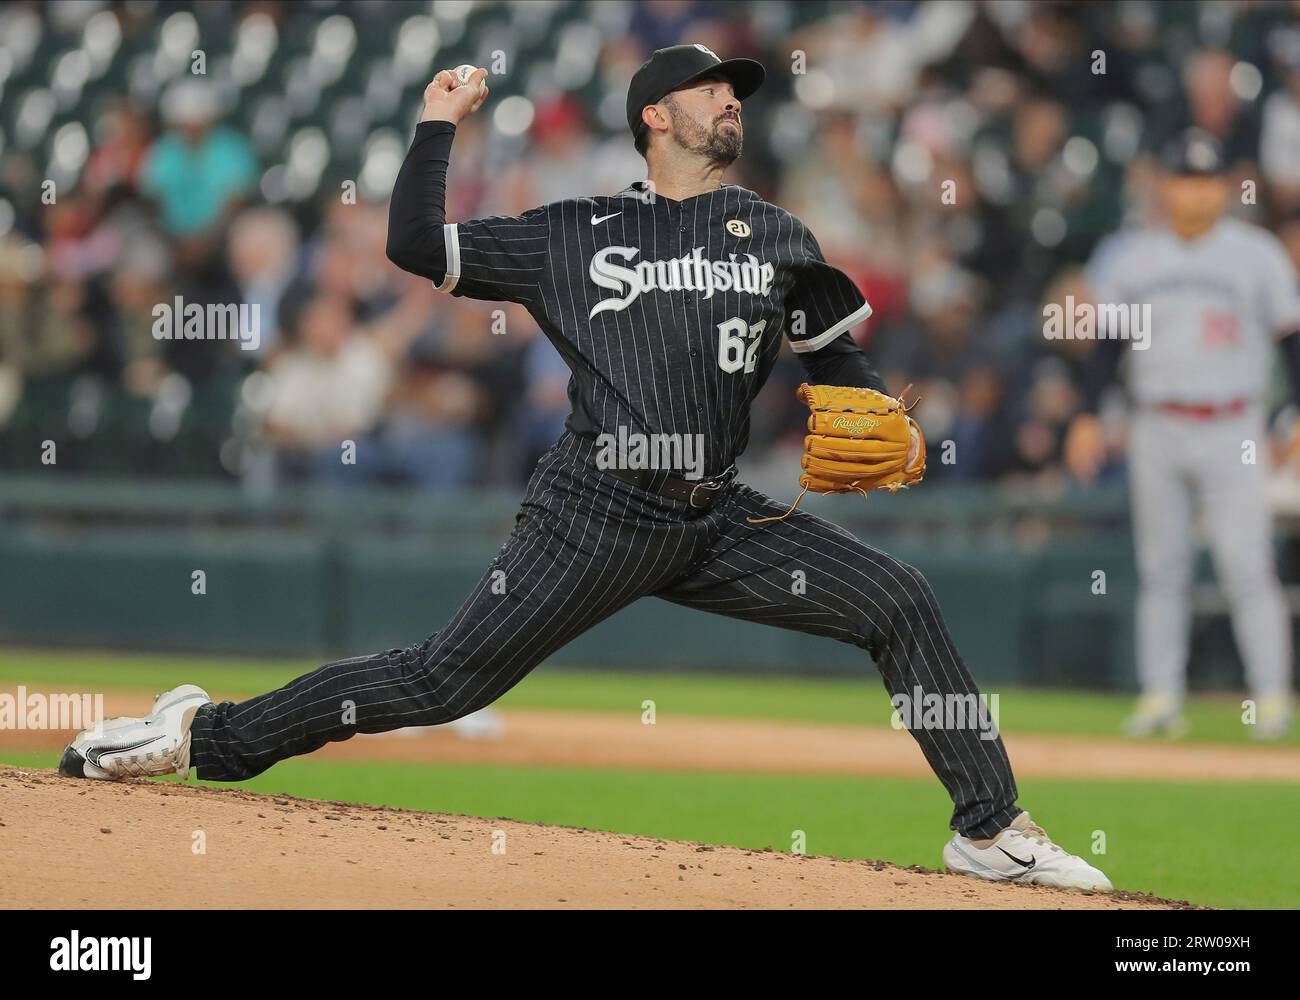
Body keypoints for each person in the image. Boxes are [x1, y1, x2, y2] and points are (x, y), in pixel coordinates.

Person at [62, 46, 1110, 891]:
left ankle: (989, 829)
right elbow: (418, 246)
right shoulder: (574, 231)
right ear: (656, 116)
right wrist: (437, 123)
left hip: (718, 517)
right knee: (438, 680)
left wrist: (870, 399)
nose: (728, 102)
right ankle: (204, 732)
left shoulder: (774, 230)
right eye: (709, 89)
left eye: (734, 91)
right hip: (594, 510)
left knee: (898, 597)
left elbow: (832, 348)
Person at [1065, 129, 1300, 740]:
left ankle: (1271, 698)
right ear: (1163, 185)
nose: (1194, 193)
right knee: (1162, 567)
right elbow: (1105, 348)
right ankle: (1161, 697)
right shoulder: (1133, 255)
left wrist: (1294, 416)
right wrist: (1090, 415)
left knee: (1246, 565)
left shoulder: (1256, 253)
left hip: (1234, 423)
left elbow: (1292, 343)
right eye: (1183, 179)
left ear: (1225, 186)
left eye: (1206, 180)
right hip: (1157, 422)